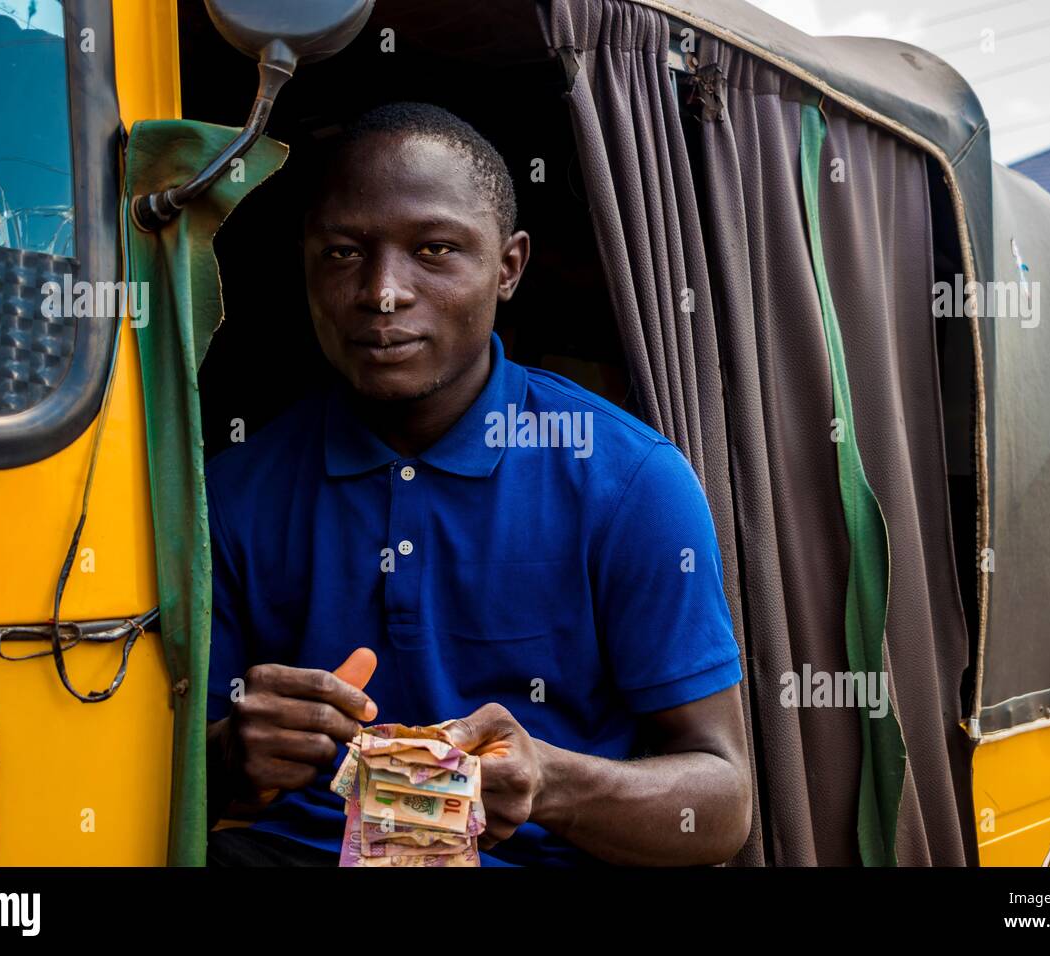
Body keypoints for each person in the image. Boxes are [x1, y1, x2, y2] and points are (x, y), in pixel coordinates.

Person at [204, 102, 751, 866]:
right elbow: (153, 778)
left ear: (509, 267)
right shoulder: (232, 493)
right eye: (342, 254)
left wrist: (551, 783)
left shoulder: (628, 480)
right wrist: (231, 750)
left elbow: (722, 804)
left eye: (433, 250)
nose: (382, 292)